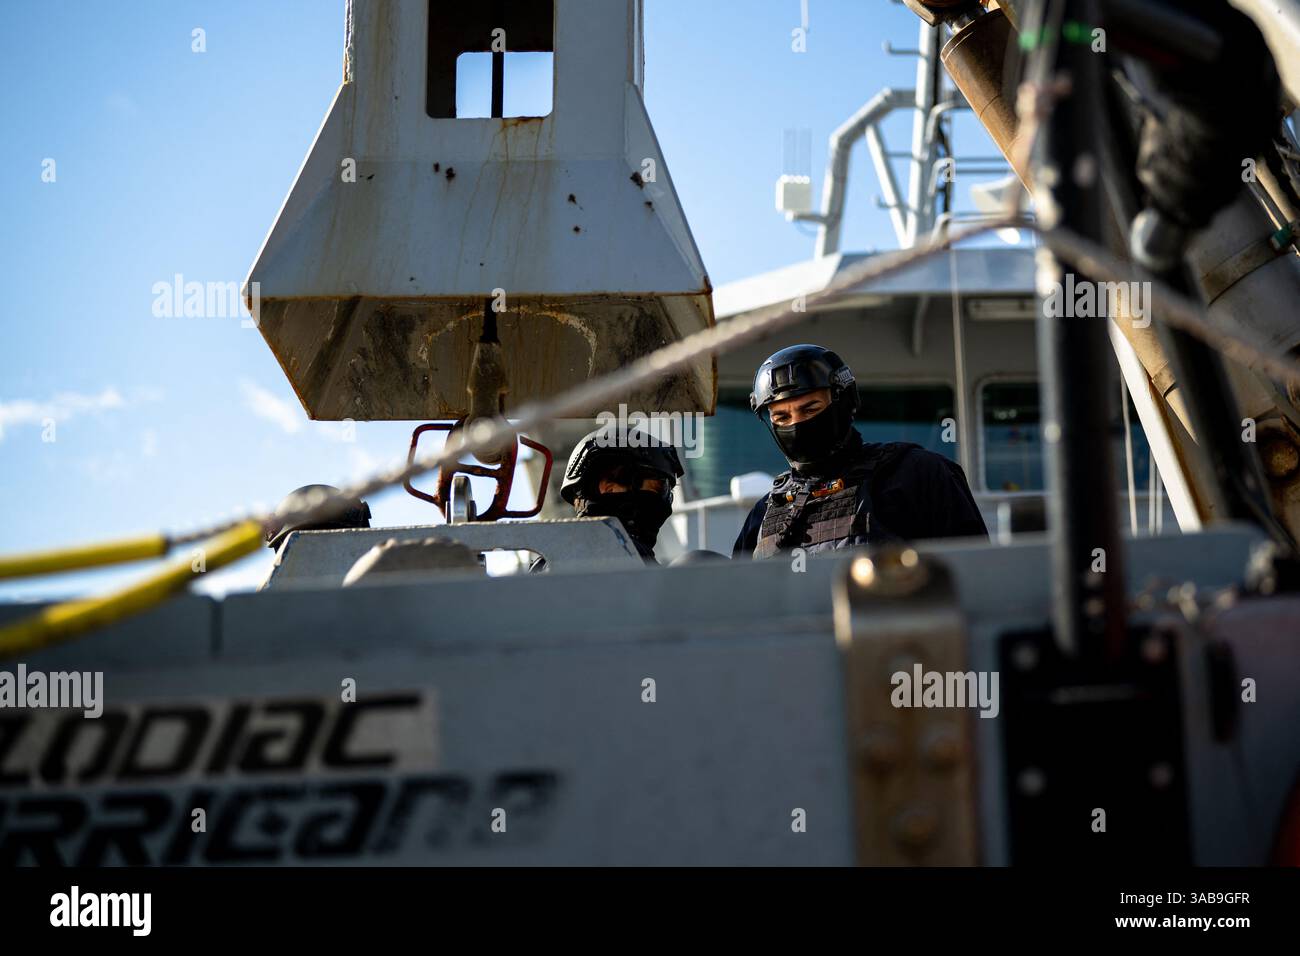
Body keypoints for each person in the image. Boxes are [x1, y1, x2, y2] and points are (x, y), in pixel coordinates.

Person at [733, 344, 987, 559]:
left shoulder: (917, 475)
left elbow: (976, 574)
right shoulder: (765, 511)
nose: (796, 425)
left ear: (844, 403)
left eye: (810, 409)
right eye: (781, 416)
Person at [550, 429, 685, 566]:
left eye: (664, 491)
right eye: (654, 489)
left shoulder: (555, 556)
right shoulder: (610, 553)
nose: (658, 501)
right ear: (608, 488)